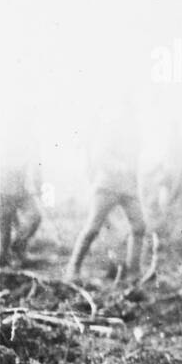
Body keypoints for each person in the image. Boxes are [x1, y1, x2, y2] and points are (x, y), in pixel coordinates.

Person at [65, 101, 148, 283]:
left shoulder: (137, 132)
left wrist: (135, 184)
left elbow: (135, 164)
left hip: (128, 188)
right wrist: (121, 168)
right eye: (128, 109)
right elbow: (99, 156)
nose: (131, 113)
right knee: (93, 228)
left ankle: (133, 274)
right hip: (107, 185)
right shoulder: (111, 129)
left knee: (139, 227)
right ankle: (73, 268)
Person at [0, 121, 44, 267]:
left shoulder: (30, 143)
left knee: (35, 216)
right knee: (4, 231)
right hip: (3, 190)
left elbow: (36, 167)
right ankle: (7, 261)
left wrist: (36, 187)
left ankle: (18, 248)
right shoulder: (5, 141)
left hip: (23, 190)